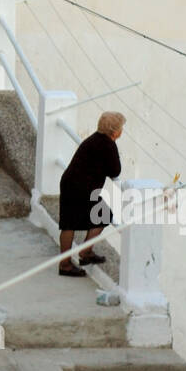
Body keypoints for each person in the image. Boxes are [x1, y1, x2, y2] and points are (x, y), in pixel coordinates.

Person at [57, 111, 124, 276]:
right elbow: (115, 170)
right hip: (82, 189)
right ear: (115, 132)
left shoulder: (94, 139)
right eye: (121, 128)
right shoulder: (108, 145)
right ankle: (71, 261)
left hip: (70, 183)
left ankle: (78, 256)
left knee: (68, 223)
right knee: (103, 216)